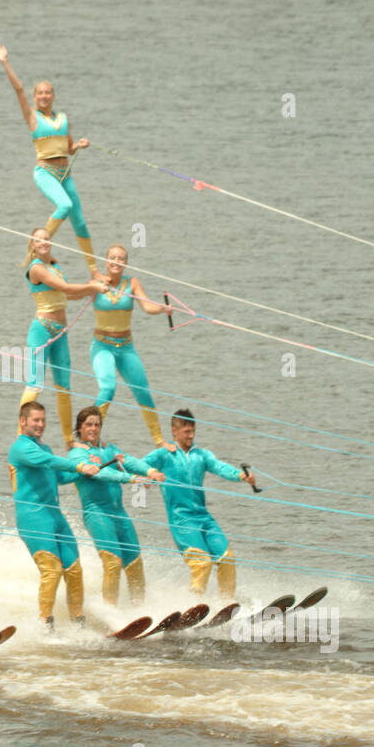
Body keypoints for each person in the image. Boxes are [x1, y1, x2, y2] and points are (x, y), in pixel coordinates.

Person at [0, 43, 98, 276]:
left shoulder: (63, 118)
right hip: (45, 172)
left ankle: (94, 271)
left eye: (47, 92)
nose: (43, 96)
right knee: (65, 206)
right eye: (39, 93)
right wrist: (5, 62)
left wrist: (78, 145)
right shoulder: (32, 117)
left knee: (79, 222)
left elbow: (68, 148)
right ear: (35, 96)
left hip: (65, 173)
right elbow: (19, 89)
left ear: (53, 95)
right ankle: (37, 248)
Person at [9, 401, 113, 630]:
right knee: (52, 570)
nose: (40, 425)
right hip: (33, 518)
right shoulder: (21, 448)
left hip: (55, 517)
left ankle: (78, 623)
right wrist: (79, 466)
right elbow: (50, 462)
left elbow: (58, 477)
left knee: (74, 570)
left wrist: (89, 470)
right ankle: (44, 623)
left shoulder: (44, 448)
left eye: (43, 420)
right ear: (23, 421)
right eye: (36, 420)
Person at [142, 409, 256, 601]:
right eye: (187, 431)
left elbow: (220, 467)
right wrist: (146, 475)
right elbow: (138, 464)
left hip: (204, 517)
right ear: (174, 431)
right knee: (202, 563)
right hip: (182, 519)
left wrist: (241, 475)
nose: (191, 435)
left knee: (227, 559)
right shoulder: (164, 455)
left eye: (193, 430)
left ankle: (226, 605)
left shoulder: (202, 455)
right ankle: (192, 607)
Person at [67, 406, 165, 608]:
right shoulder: (76, 454)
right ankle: (110, 613)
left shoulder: (109, 449)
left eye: (97, 424)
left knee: (135, 564)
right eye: (89, 425)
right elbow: (101, 474)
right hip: (97, 513)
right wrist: (130, 479)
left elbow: (128, 461)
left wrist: (151, 471)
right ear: (80, 428)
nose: (93, 428)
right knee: (113, 563)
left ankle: (140, 609)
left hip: (119, 514)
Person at [19, 229, 107, 449]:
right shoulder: (36, 268)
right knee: (35, 384)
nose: (44, 243)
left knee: (64, 387)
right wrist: (92, 285)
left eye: (47, 239)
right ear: (32, 245)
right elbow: (65, 287)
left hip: (60, 332)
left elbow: (68, 294)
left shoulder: (55, 266)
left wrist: (92, 291)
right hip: (41, 329)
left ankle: (69, 440)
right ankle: (22, 436)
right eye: (39, 240)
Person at [90, 245, 174, 447]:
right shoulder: (96, 283)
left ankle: (159, 441)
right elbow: (72, 294)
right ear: (106, 261)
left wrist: (163, 308)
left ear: (125, 263)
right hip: (102, 346)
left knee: (143, 392)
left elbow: (147, 306)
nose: (116, 262)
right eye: (112, 258)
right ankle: (89, 437)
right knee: (108, 388)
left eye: (121, 258)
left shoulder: (132, 283)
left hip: (126, 347)